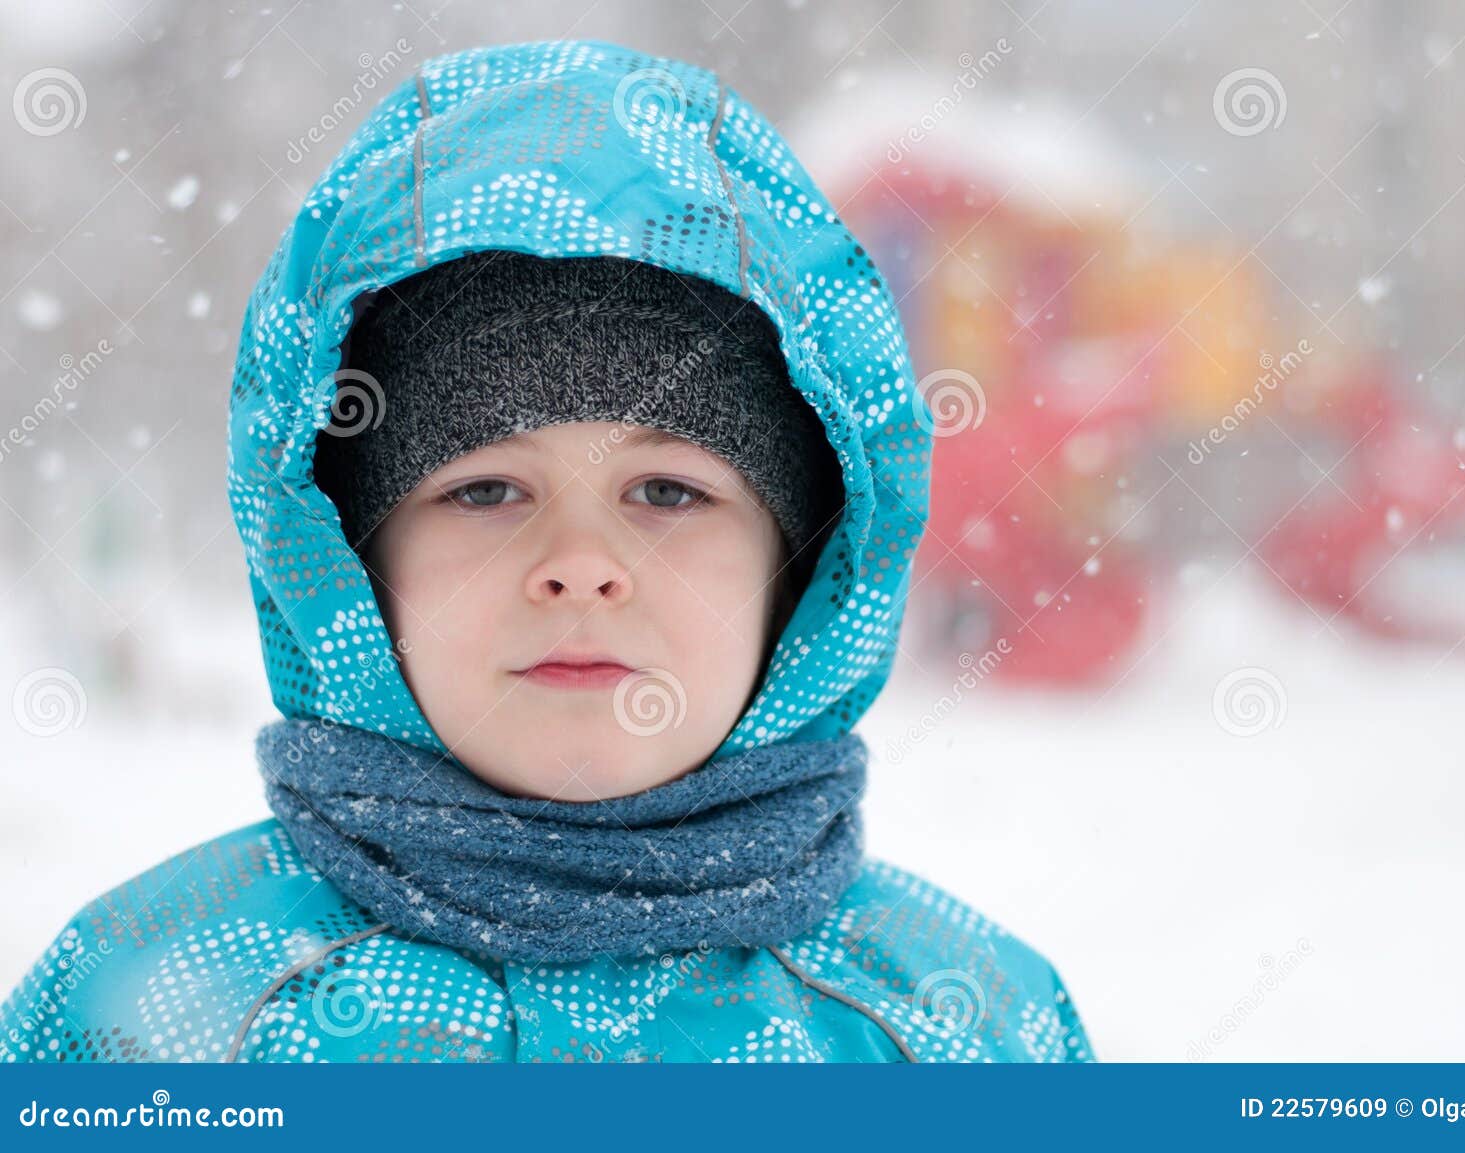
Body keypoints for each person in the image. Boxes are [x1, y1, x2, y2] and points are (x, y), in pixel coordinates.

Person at [0, 39, 1094, 1063]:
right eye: (484, 489)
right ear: (354, 567)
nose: (579, 562)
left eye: (668, 490)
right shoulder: (158, 1017)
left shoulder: (962, 1031)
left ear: (800, 570)